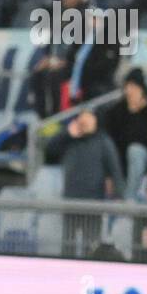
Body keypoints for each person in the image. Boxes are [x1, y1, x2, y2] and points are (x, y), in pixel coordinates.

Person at [45, 107, 125, 254]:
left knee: (91, 247)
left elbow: (115, 169)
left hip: (93, 204)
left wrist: (118, 195)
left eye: (89, 118)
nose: (85, 121)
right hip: (70, 202)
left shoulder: (103, 141)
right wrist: (66, 134)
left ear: (95, 121)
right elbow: (49, 150)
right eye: (83, 117)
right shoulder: (69, 140)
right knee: (67, 246)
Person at [104, 68, 147, 198]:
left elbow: (144, 140)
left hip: (143, 158)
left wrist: (135, 114)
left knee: (134, 150)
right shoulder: (116, 111)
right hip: (118, 163)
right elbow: (111, 143)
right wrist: (108, 175)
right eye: (127, 86)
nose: (130, 91)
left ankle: (129, 202)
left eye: (134, 87)